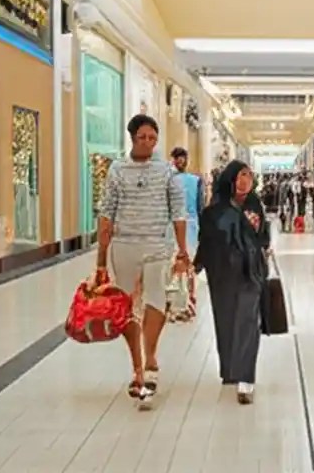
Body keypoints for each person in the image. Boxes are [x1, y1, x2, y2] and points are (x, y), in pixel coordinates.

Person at [96, 114, 189, 409]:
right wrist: (100, 261)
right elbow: (106, 213)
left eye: (153, 138)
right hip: (124, 245)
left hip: (158, 246)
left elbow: (178, 212)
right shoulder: (117, 170)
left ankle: (150, 359)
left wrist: (183, 250)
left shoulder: (167, 171)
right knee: (126, 306)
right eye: (142, 137)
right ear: (132, 138)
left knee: (156, 301)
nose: (148, 143)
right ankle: (137, 367)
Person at [195, 160, 270, 404]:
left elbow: (264, 238)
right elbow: (206, 241)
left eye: (248, 175)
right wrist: (195, 265)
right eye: (240, 175)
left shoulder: (255, 205)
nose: (244, 180)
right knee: (226, 319)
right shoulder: (214, 210)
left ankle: (245, 375)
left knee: (248, 320)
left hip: (251, 271)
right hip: (222, 273)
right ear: (230, 179)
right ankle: (229, 369)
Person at [169, 147, 205, 256]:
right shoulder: (196, 180)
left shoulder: (168, 180)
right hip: (192, 225)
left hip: (171, 227)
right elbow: (200, 206)